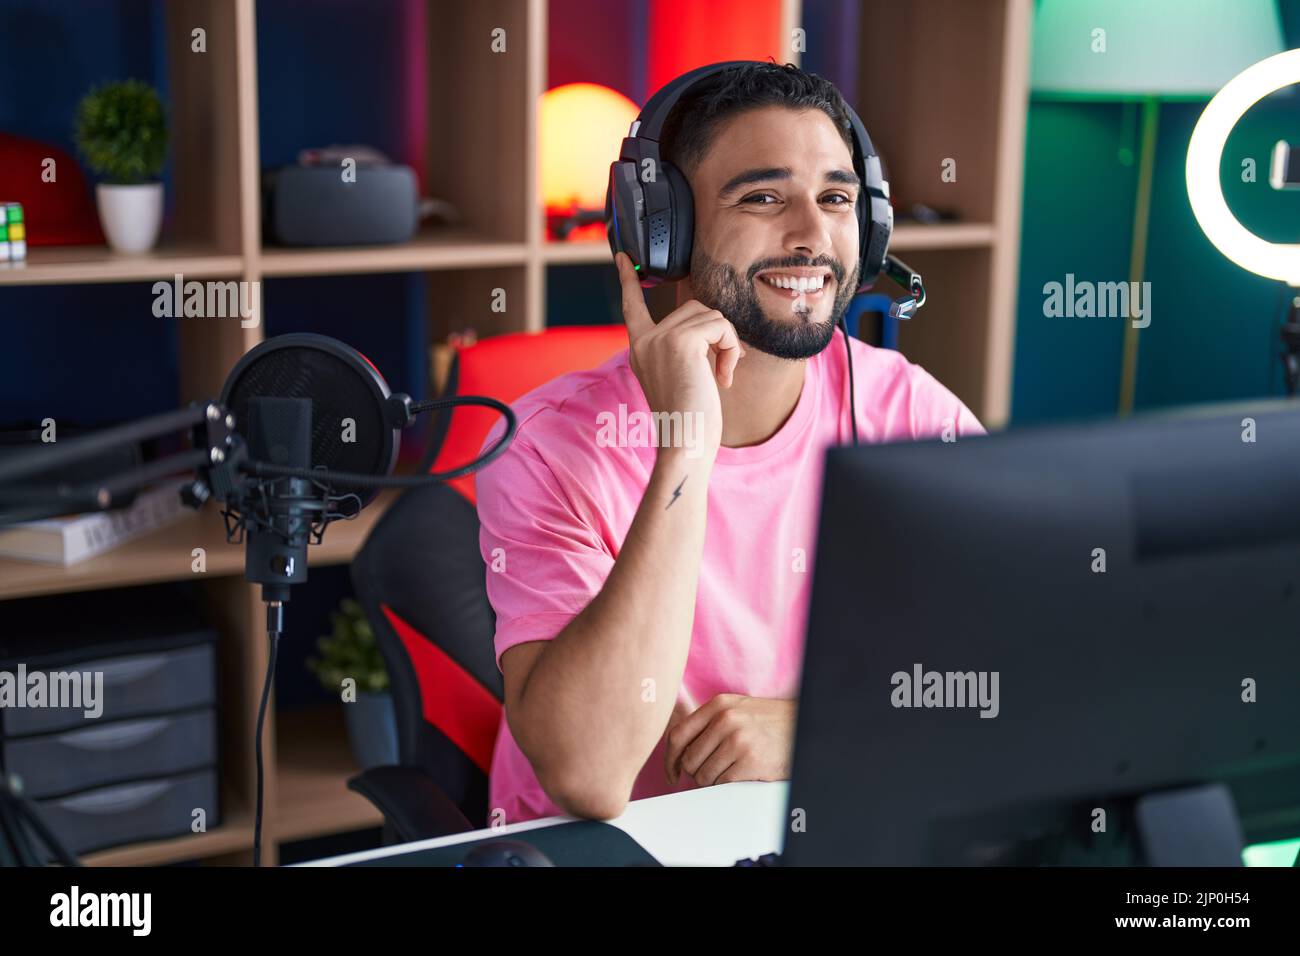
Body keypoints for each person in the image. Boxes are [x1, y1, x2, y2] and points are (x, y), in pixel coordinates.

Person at [476, 61, 985, 823]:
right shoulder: (549, 447)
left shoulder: (906, 411)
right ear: (664, 230)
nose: (813, 237)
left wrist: (817, 727)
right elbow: (587, 774)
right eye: (763, 197)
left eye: (837, 199)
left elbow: (1022, 666)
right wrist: (685, 446)